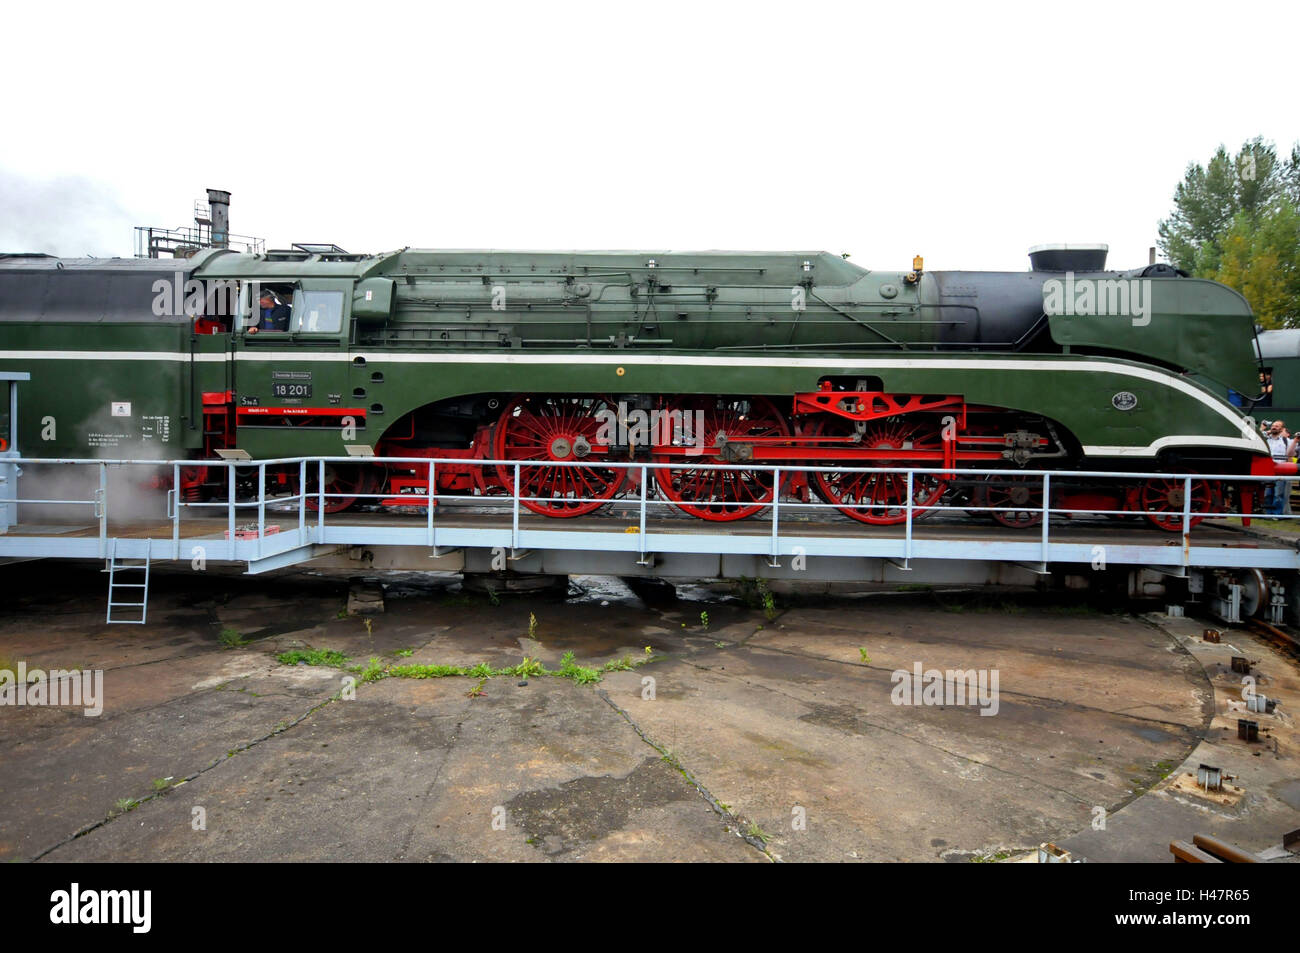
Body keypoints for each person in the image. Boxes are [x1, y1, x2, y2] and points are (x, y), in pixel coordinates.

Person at [1264, 420, 1291, 516]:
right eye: (1273, 425)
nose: (1274, 427)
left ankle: (1276, 514)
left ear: (1282, 429)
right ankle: (1268, 513)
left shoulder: (1286, 441)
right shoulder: (1266, 440)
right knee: (1267, 494)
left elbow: (1291, 454)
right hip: (1268, 471)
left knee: (1278, 494)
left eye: (1277, 426)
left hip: (1281, 471)